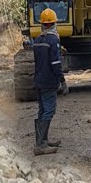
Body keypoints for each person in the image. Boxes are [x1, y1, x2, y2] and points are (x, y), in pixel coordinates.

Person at [31, 8, 64, 155]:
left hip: (38, 80)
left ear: (42, 24)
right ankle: (41, 145)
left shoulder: (38, 40)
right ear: (54, 24)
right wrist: (62, 80)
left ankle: (42, 140)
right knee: (49, 110)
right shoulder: (53, 40)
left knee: (42, 110)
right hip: (49, 81)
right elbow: (56, 63)